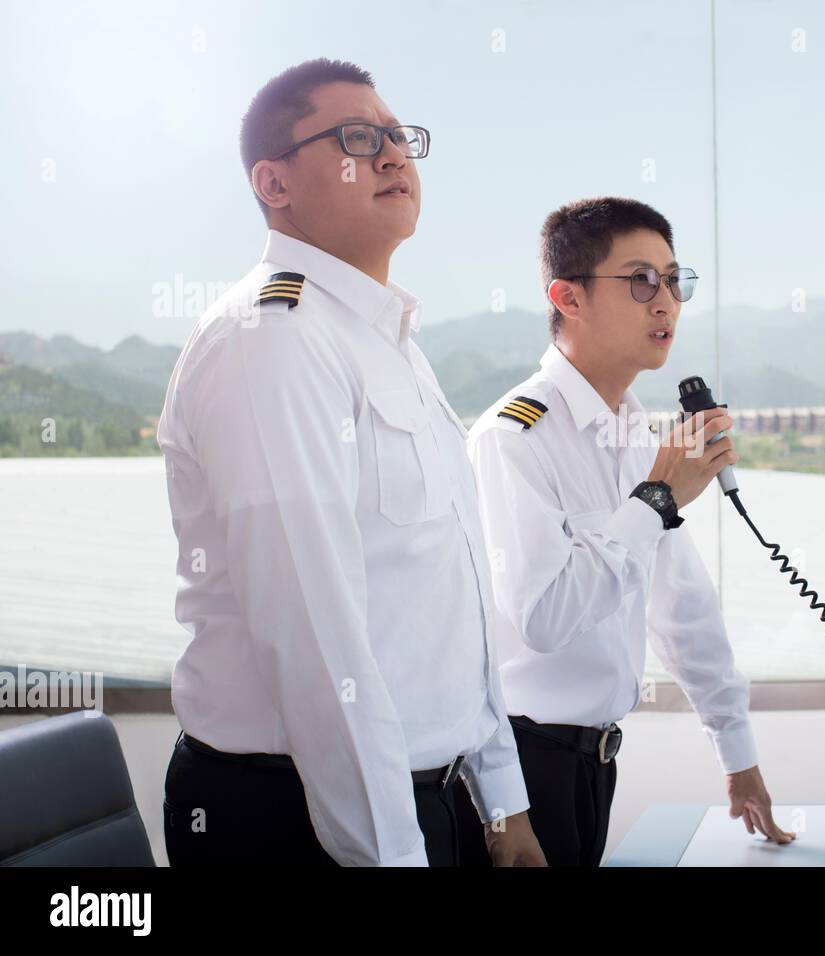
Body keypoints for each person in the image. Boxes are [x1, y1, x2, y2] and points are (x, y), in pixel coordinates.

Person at [156, 58, 544, 867]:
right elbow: (314, 637)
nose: (396, 155)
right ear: (275, 181)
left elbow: (451, 599)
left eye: (401, 138)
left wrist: (502, 803)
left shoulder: (388, 341)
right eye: (358, 139)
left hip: (421, 803)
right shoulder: (272, 339)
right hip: (298, 818)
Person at [454, 196, 794, 865]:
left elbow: (681, 604)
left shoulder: (634, 435)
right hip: (523, 767)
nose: (665, 302)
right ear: (568, 298)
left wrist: (737, 750)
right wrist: (657, 498)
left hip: (595, 763)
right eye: (640, 281)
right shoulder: (513, 438)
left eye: (674, 281)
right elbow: (544, 618)